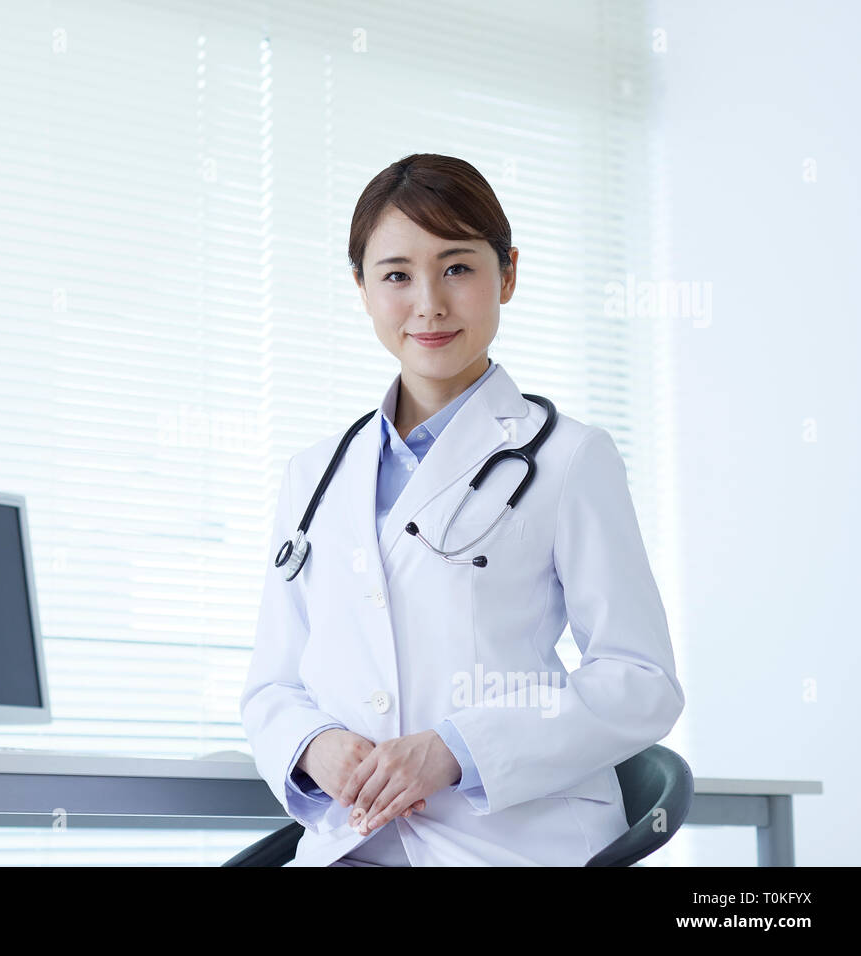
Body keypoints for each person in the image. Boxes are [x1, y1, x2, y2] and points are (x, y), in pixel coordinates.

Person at [240, 153, 684, 866]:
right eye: (395, 275)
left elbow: (641, 682)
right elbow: (272, 684)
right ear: (361, 288)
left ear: (507, 273)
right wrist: (312, 746)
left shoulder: (570, 459)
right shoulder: (313, 475)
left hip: (506, 844)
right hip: (351, 843)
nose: (429, 303)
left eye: (457, 268)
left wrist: (458, 749)